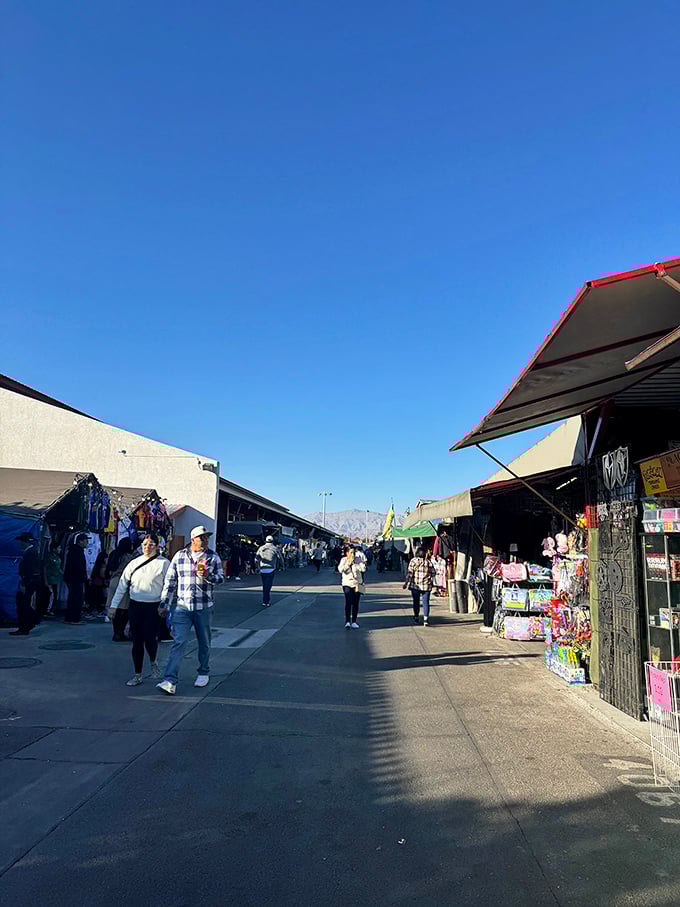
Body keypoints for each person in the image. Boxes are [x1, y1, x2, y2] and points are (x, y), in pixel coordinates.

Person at [156, 526, 224, 695]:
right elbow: (170, 581)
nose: (205, 540)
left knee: (204, 641)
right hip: (182, 607)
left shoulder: (212, 556)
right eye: (202, 538)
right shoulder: (180, 556)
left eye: (207, 537)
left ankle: (203, 671)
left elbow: (221, 577)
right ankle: (170, 680)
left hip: (204, 607)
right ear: (193, 539)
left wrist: (208, 576)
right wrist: (164, 603)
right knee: (178, 641)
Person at [111, 532, 170, 686]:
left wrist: (165, 604)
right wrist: (113, 606)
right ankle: (137, 674)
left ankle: (153, 660)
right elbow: (122, 585)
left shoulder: (164, 563)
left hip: (154, 607)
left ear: (157, 546)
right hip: (136, 605)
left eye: (150, 544)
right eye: (144, 544)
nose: (147, 547)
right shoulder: (134, 563)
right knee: (137, 640)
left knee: (150, 638)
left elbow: (168, 586)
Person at [10, 532, 41, 636]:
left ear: (26, 542)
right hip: (29, 581)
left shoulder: (31, 553)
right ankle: (31, 621)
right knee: (23, 603)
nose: (20, 544)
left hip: (29, 582)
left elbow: (32, 571)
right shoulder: (31, 551)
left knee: (23, 604)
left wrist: (25, 583)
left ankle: (25, 626)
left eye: (22, 541)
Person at [106, 538, 135, 641]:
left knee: (115, 607)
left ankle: (116, 631)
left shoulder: (114, 554)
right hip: (123, 582)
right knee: (124, 608)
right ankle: (120, 632)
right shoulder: (128, 557)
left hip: (113, 581)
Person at [404, 546, 435, 626]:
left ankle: (416, 617)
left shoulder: (413, 561)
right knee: (426, 602)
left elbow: (410, 574)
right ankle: (426, 619)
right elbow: (433, 573)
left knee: (416, 602)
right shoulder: (428, 562)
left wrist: (406, 583)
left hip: (415, 586)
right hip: (426, 586)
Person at [338, 544, 367, 629]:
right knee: (348, 601)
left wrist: (358, 564)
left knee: (355, 602)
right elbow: (340, 570)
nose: (353, 555)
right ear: (347, 553)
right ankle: (347, 621)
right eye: (351, 552)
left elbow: (363, 569)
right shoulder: (343, 560)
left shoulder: (358, 560)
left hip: (357, 583)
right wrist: (348, 564)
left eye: (354, 552)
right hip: (347, 583)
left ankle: (354, 621)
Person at [63, 533, 89, 625]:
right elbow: (78, 566)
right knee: (76, 598)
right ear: (80, 541)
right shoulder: (76, 551)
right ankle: (73, 618)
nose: (87, 542)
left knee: (74, 597)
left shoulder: (75, 550)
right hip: (75, 578)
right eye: (86, 540)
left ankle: (71, 617)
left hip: (73, 578)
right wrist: (83, 576)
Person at [255, 535, 283, 607]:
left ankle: (265, 600)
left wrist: (258, 567)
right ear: (272, 541)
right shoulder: (274, 548)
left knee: (265, 585)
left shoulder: (261, 548)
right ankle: (266, 601)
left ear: (266, 540)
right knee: (268, 586)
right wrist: (282, 566)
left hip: (262, 569)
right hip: (271, 569)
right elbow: (280, 558)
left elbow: (256, 559)